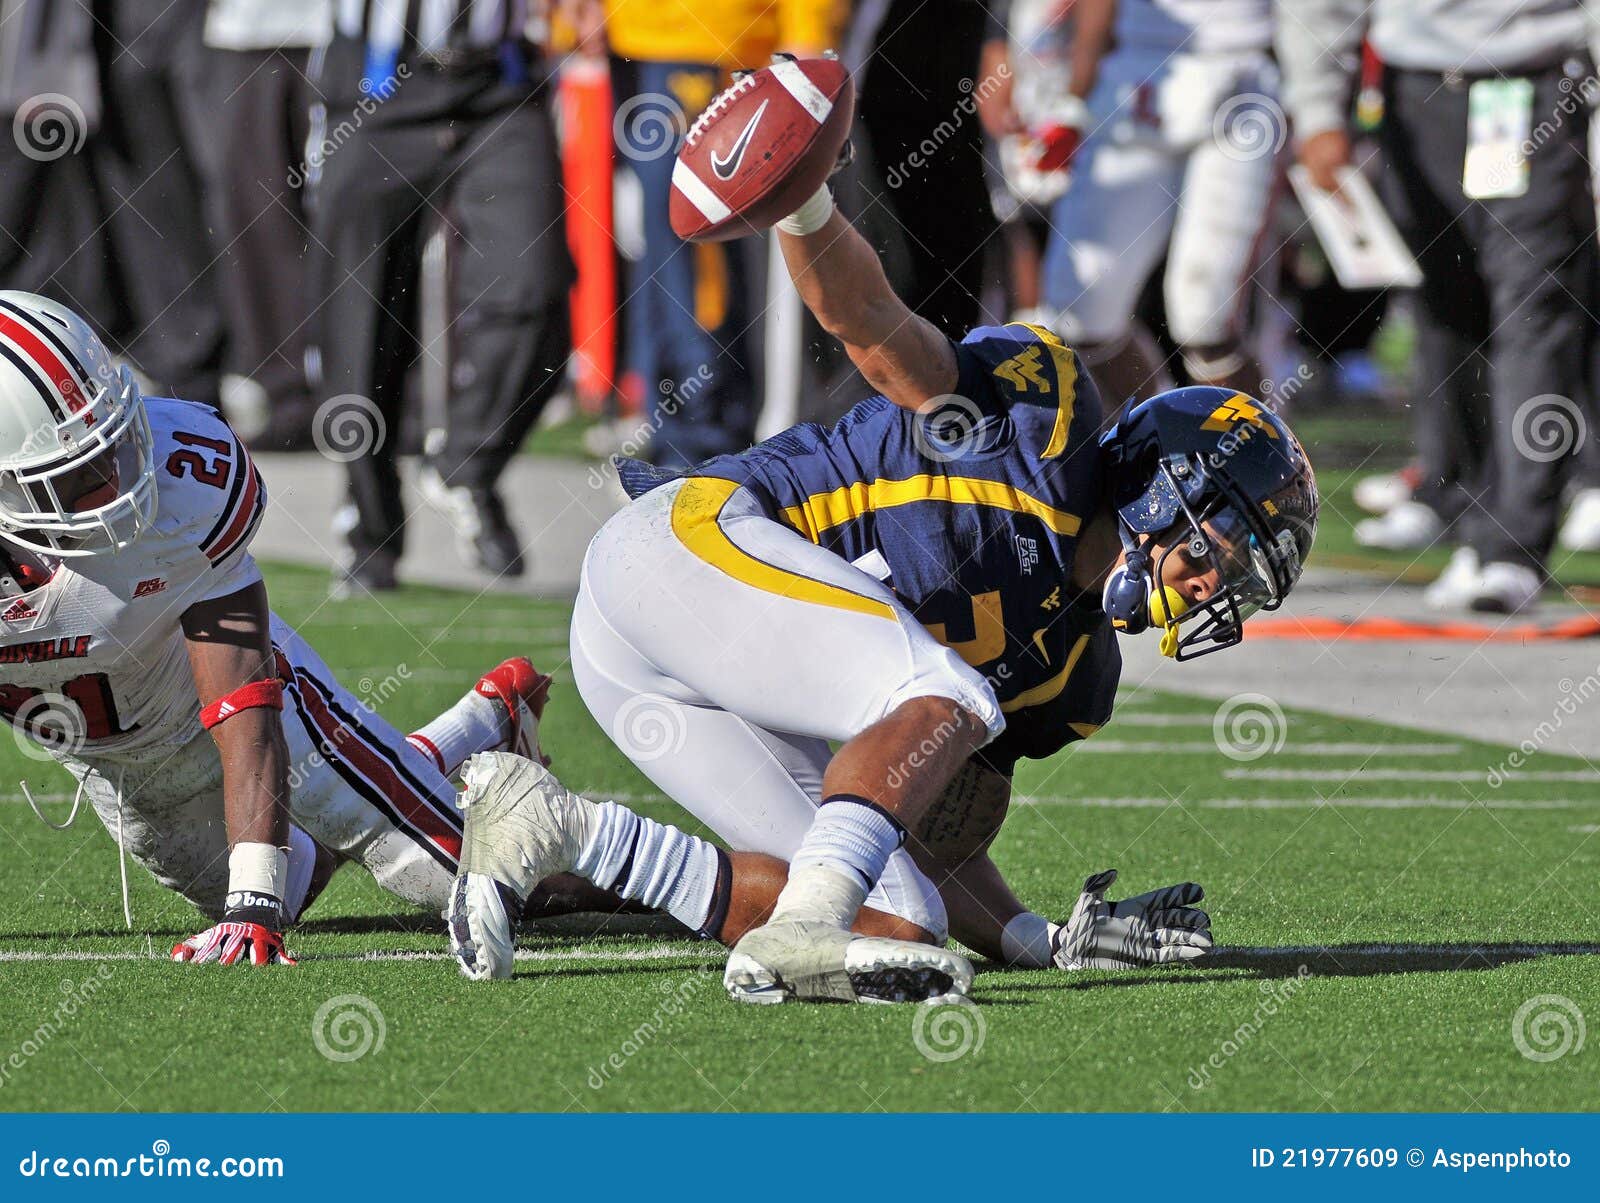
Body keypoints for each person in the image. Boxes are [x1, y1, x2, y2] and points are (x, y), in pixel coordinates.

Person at [444, 94, 1318, 1001]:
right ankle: (802, 935)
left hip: (657, 669)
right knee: (944, 687)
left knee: (897, 917)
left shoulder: (1075, 676)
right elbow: (872, 327)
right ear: (1164, 486)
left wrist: (1036, 937)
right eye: (1227, 550)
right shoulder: (1040, 421)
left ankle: (563, 831)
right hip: (684, 546)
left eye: (1245, 581)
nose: (1222, 587)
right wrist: (803, 205)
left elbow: (918, 833)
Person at [0, 292, 550, 962]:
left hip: (243, 703)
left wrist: (251, 903)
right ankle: (466, 730)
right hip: (123, 765)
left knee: (500, 879)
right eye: (75, 475)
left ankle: (681, 878)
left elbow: (244, 700)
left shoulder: (184, 484)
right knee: (291, 883)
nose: (116, 480)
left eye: (114, 443)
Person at [1280, 0, 1596, 612]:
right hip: (1417, 94)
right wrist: (1318, 110)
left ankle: (1513, 546)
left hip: (1541, 83)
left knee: (1534, 310)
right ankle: (1460, 504)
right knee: (1442, 314)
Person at [311, 0, 573, 593]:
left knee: (534, 278)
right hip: (376, 86)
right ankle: (369, 530)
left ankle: (468, 462)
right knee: (358, 317)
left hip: (498, 84)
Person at [1038, 0, 1279, 407]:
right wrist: (1072, 98)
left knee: (1205, 316)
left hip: (1240, 73)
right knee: (1079, 309)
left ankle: (1268, 461)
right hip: (1136, 78)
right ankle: (1161, 440)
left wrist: (1319, 111)